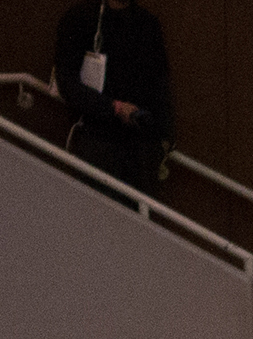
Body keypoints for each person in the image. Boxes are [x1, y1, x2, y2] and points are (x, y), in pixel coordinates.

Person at [53, 0, 174, 198]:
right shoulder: (82, 18)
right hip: (97, 139)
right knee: (96, 213)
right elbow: (67, 81)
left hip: (140, 148)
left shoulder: (147, 24)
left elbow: (160, 86)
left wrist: (164, 137)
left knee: (137, 220)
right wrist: (113, 108)